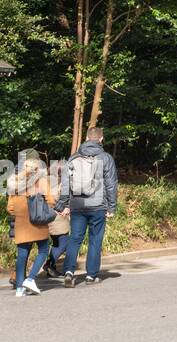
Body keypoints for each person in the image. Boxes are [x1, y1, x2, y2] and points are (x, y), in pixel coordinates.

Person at [56, 126, 119, 288]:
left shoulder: (74, 157)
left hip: (77, 205)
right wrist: (111, 207)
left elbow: (65, 183)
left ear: (86, 138)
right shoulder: (105, 158)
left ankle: (69, 272)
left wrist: (64, 204)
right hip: (98, 205)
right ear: (101, 139)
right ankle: (91, 275)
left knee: (75, 239)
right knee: (95, 240)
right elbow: (111, 184)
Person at [7, 151, 57, 297]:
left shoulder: (14, 183)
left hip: (21, 223)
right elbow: (51, 200)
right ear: (36, 169)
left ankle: (19, 289)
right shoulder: (41, 181)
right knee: (43, 250)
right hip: (38, 223)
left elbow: (10, 208)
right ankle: (30, 279)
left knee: (22, 256)